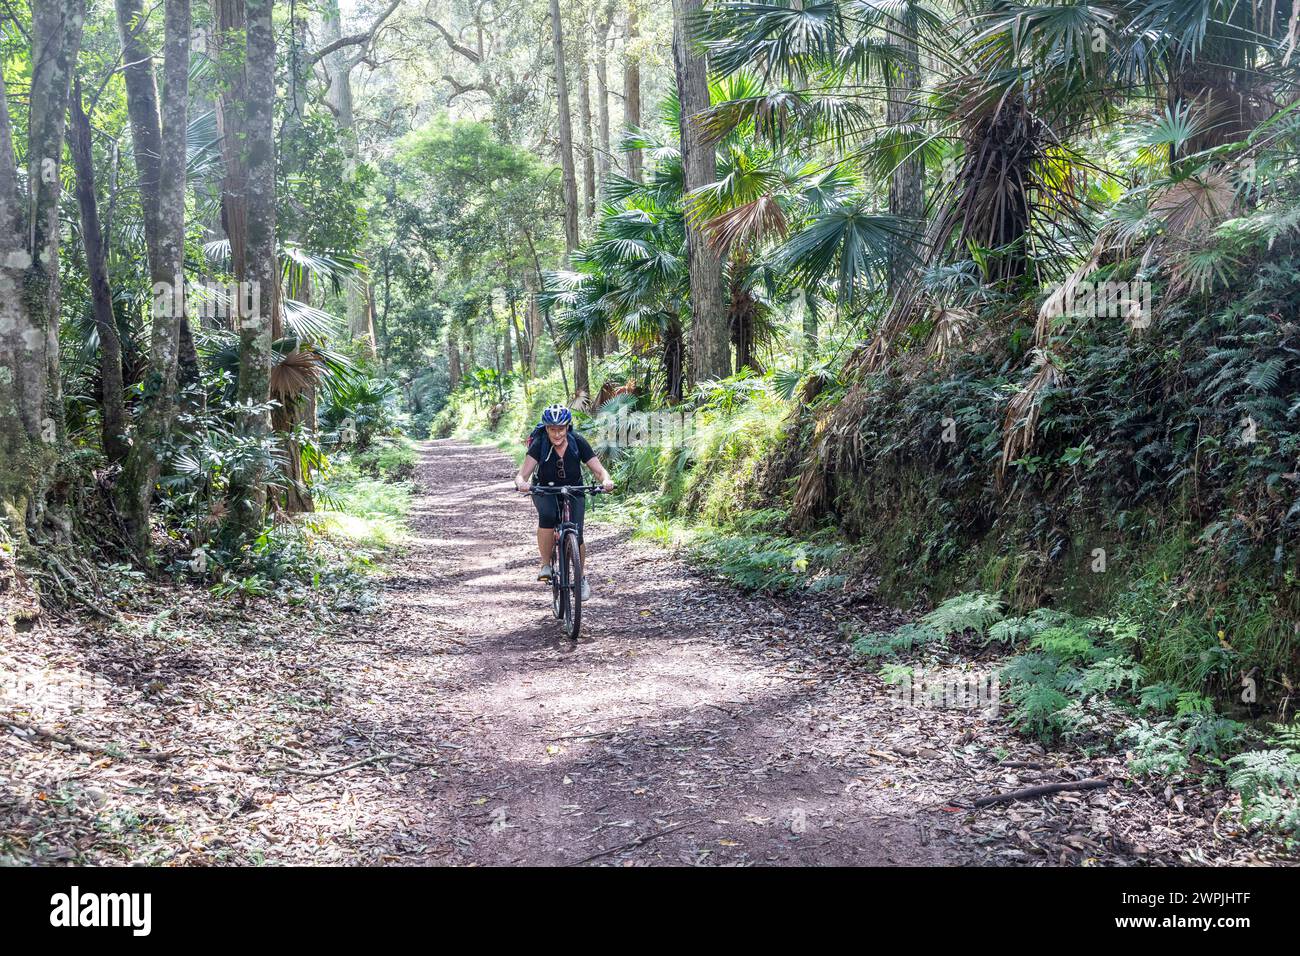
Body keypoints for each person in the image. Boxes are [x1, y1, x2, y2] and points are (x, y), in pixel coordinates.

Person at [514, 404, 615, 600]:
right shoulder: (540, 443)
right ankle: (545, 565)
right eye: (553, 429)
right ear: (546, 429)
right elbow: (522, 475)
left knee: (578, 533)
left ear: (567, 427)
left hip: (574, 489)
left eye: (561, 428)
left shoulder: (577, 441)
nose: (557, 434)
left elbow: (598, 470)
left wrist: (606, 481)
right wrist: (521, 484)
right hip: (545, 489)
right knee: (548, 516)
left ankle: (581, 578)